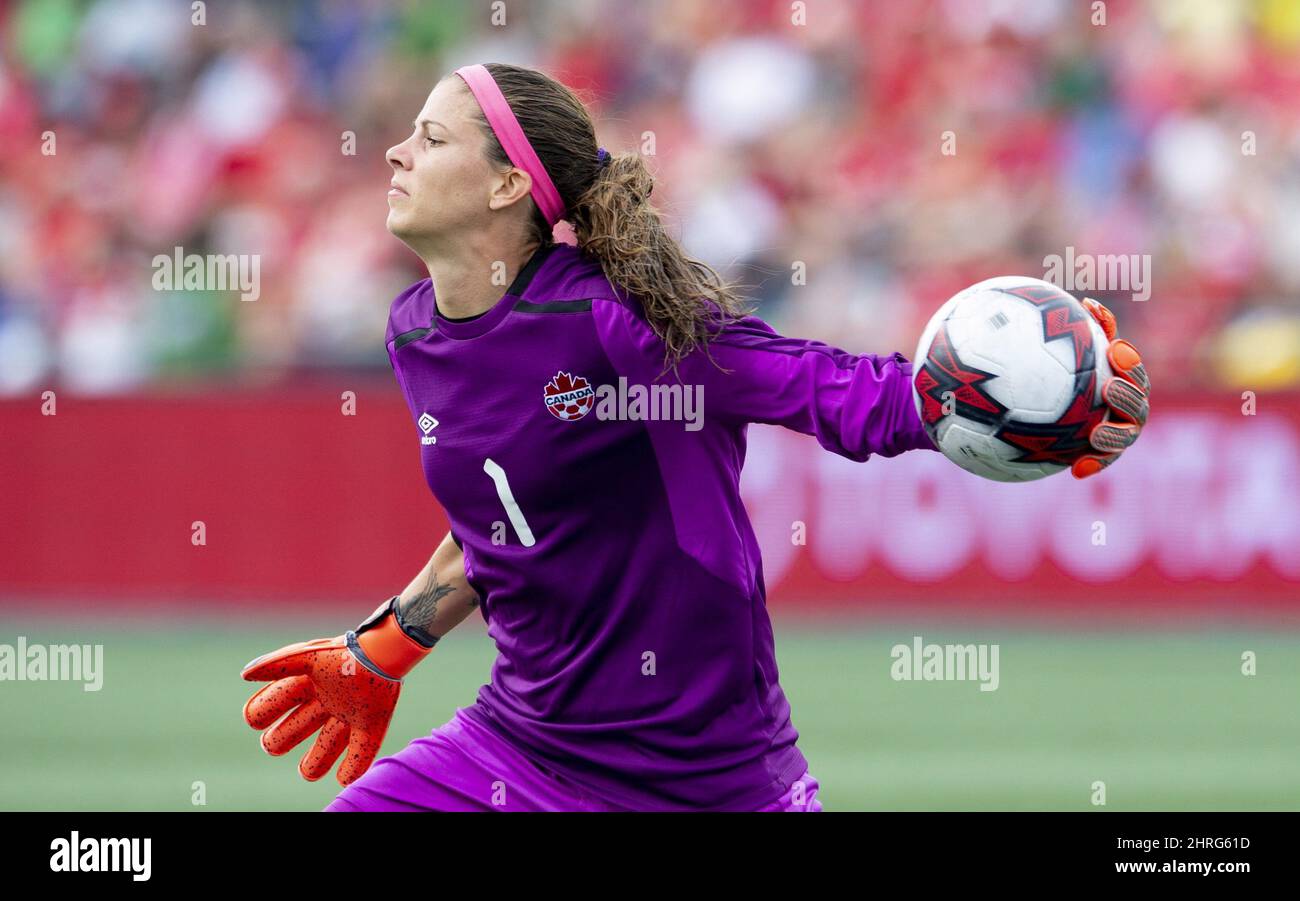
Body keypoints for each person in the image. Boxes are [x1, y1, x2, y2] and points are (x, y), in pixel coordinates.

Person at [240, 63, 1150, 811]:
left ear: (508, 185)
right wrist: (383, 649)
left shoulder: (615, 321)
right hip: (516, 752)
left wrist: (1013, 405)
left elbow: (815, 385)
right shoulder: (412, 333)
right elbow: (507, 525)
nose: (396, 149)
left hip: (706, 783)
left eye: (432, 138)